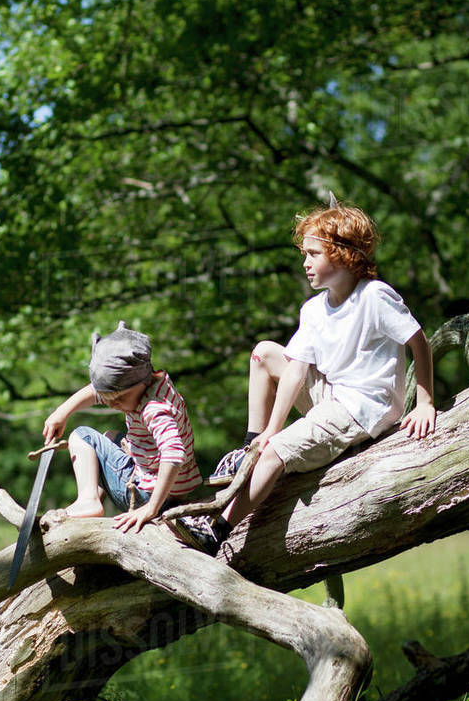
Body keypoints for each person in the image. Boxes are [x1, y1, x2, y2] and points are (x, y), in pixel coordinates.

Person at [172, 201, 436, 555]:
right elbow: (295, 367)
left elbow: (419, 341)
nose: (305, 262)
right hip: (333, 393)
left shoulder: (374, 297)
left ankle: (217, 528)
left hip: (361, 408)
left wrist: (425, 402)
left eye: (313, 253)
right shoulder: (313, 309)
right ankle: (249, 447)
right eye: (304, 253)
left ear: (343, 255)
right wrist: (268, 430)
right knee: (264, 353)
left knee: (276, 454)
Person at [43, 322, 203, 532]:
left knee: (82, 436)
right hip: (173, 490)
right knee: (110, 437)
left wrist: (151, 509)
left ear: (139, 382)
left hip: (148, 496)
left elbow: (173, 454)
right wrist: (61, 413)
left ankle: (88, 500)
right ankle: (92, 500)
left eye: (118, 398)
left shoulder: (154, 409)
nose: (113, 405)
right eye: (108, 399)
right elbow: (98, 392)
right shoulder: (154, 384)